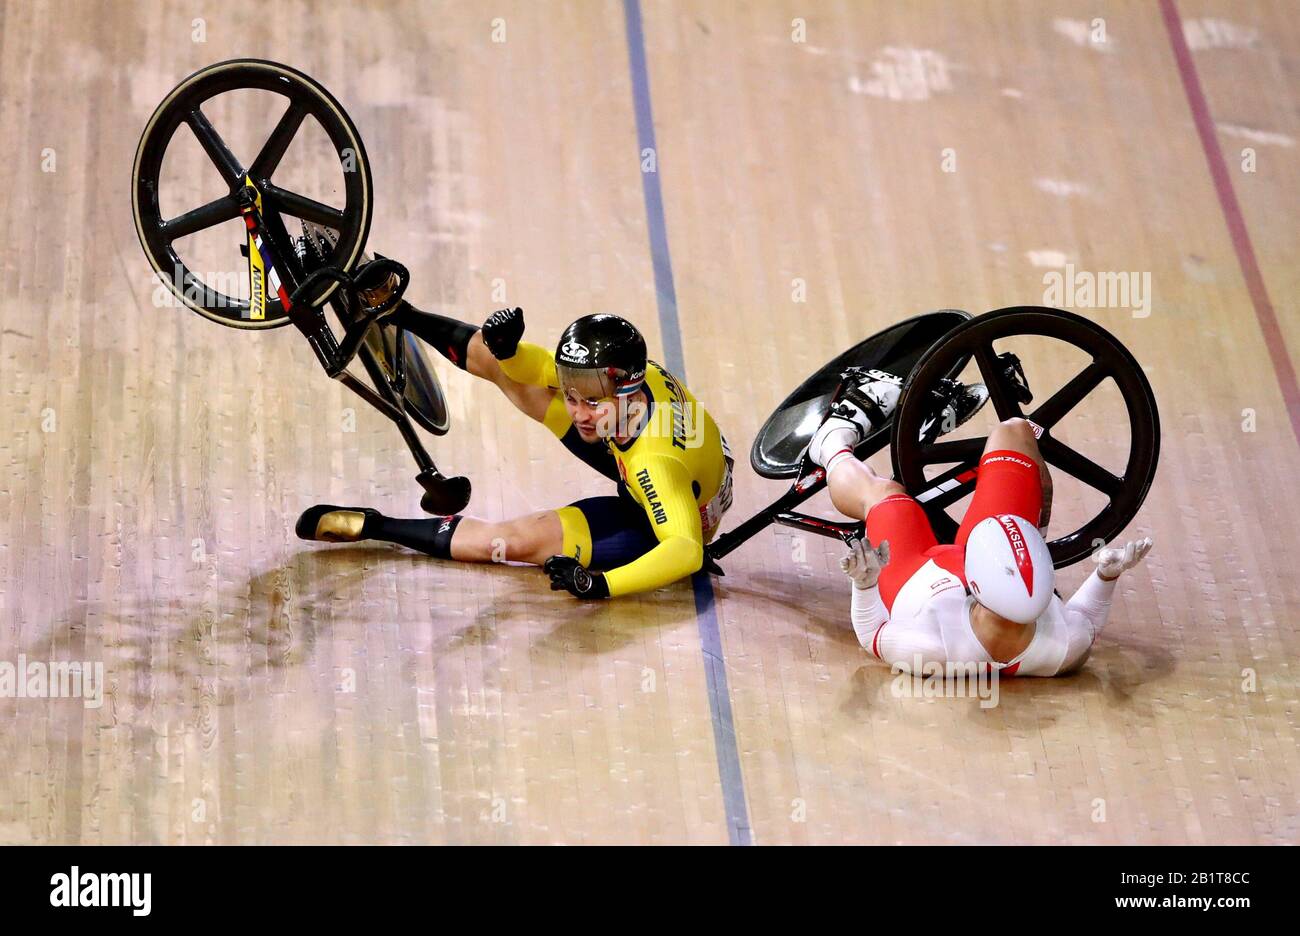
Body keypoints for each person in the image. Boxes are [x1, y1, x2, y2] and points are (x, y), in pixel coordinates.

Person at [295, 280, 733, 600]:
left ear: (623, 390)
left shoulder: (653, 465)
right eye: (573, 395)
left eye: (591, 403)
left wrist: (600, 584)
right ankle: (399, 312)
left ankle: (375, 525)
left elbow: (685, 550)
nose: (578, 412)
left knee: (516, 543)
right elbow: (539, 369)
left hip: (661, 518)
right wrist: (509, 351)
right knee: (511, 376)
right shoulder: (634, 377)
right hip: (653, 453)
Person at [807, 370, 1153, 676]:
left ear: (975, 584)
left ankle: (831, 443)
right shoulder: (1062, 649)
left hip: (915, 576)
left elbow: (872, 636)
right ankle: (928, 426)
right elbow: (1086, 620)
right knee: (1017, 433)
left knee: (885, 495)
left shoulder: (932, 650)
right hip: (1006, 564)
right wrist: (1106, 576)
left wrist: (866, 586)